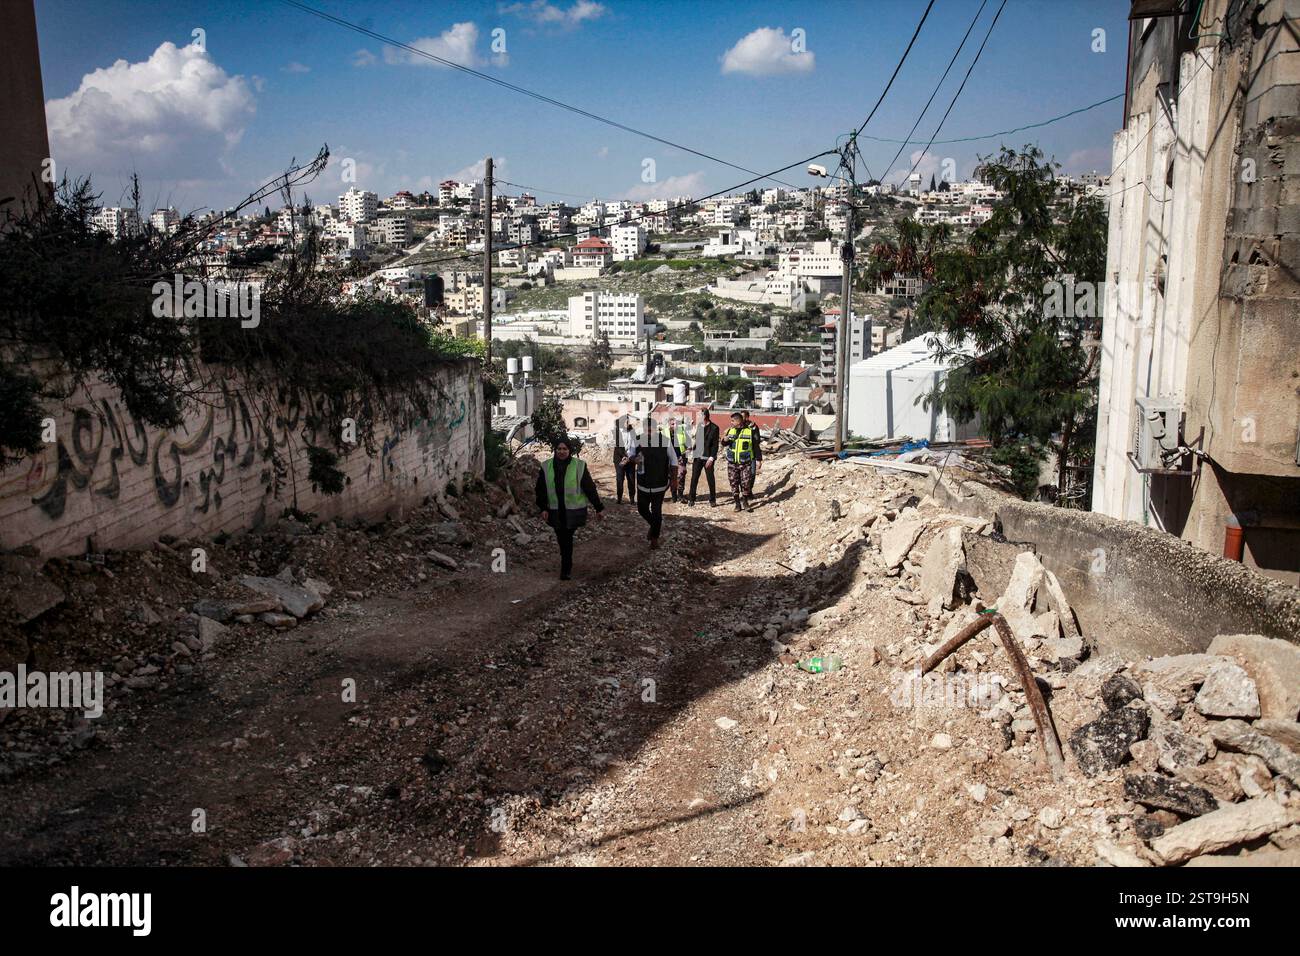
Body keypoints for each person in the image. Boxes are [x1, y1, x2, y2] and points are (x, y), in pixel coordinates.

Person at [536, 437, 604, 580]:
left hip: (573, 511)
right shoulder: (546, 466)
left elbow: (589, 487)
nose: (561, 451)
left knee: (567, 537)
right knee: (561, 537)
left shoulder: (579, 466)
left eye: (565, 449)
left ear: (570, 450)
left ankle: (566, 568)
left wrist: (598, 507)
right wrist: (543, 508)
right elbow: (540, 489)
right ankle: (566, 560)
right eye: (559, 449)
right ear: (555, 450)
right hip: (555, 510)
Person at [632, 415, 677, 548]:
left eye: (651, 429)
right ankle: (653, 526)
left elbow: (674, 461)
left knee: (657, 511)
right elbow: (630, 454)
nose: (648, 432)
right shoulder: (638, 440)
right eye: (646, 429)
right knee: (641, 509)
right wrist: (634, 459)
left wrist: (674, 480)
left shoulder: (665, 441)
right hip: (643, 483)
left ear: (655, 429)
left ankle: (654, 538)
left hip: (659, 483)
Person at [721, 411, 758, 511]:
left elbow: (755, 445)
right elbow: (724, 444)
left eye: (733, 421)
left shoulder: (749, 431)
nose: (731, 422)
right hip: (732, 463)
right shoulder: (730, 431)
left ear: (738, 421)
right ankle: (737, 504)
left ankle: (745, 502)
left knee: (746, 484)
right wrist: (724, 439)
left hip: (745, 463)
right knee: (734, 484)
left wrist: (758, 459)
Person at [688, 408, 720, 506]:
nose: (697, 417)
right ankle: (691, 499)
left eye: (699, 415)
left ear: (704, 416)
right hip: (697, 457)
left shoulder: (714, 428)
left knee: (710, 479)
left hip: (708, 458)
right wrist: (691, 448)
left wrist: (711, 458)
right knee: (694, 478)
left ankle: (712, 499)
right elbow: (697, 441)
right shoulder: (698, 426)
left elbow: (715, 445)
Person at [613, 415, 639, 505]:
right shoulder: (617, 432)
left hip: (631, 459)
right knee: (620, 479)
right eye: (625, 422)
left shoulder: (632, 432)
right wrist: (624, 456)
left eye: (628, 422)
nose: (627, 423)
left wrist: (632, 457)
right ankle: (619, 498)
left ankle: (632, 499)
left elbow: (635, 444)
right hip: (620, 459)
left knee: (631, 479)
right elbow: (618, 446)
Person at [667, 416, 690, 503]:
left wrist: (688, 449)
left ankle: (680, 495)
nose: (675, 425)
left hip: (680, 456)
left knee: (681, 474)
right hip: (669, 458)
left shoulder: (681, 431)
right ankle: (673, 495)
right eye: (673, 424)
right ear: (669, 424)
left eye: (676, 423)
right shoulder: (664, 432)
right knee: (671, 476)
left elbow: (688, 443)